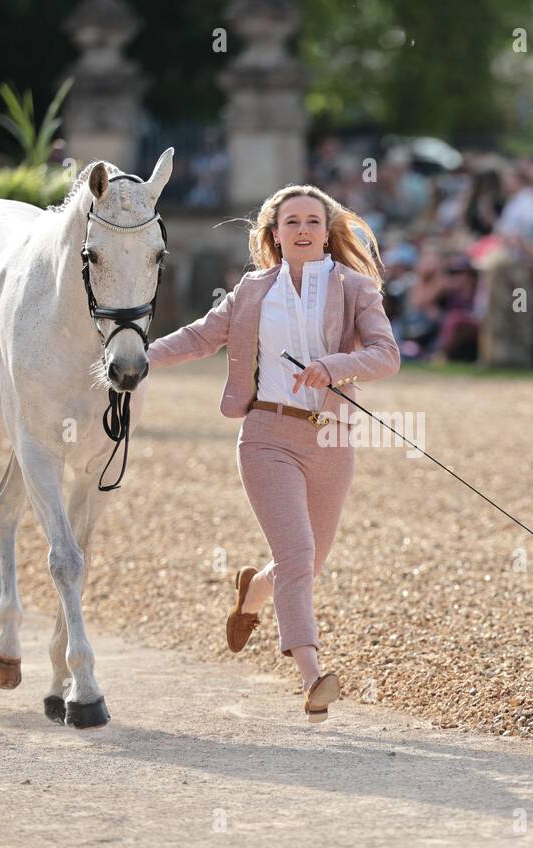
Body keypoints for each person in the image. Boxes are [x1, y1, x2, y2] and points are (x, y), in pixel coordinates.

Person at [144, 184, 400, 722]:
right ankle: (313, 677)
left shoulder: (354, 288)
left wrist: (334, 367)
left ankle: (251, 595)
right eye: (291, 222)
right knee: (298, 555)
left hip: (330, 439)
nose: (302, 230)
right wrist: (136, 358)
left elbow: (386, 355)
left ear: (326, 231)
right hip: (265, 435)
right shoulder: (252, 290)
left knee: (307, 561)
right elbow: (198, 338)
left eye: (312, 221)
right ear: (274, 233)